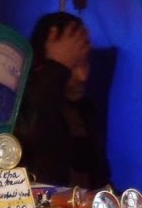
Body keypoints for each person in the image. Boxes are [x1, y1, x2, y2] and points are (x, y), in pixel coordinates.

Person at [15, 12, 110, 188]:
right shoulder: (19, 102)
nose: (83, 76)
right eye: (73, 65)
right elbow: (29, 134)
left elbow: (97, 175)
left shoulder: (85, 109)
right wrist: (57, 67)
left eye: (85, 63)